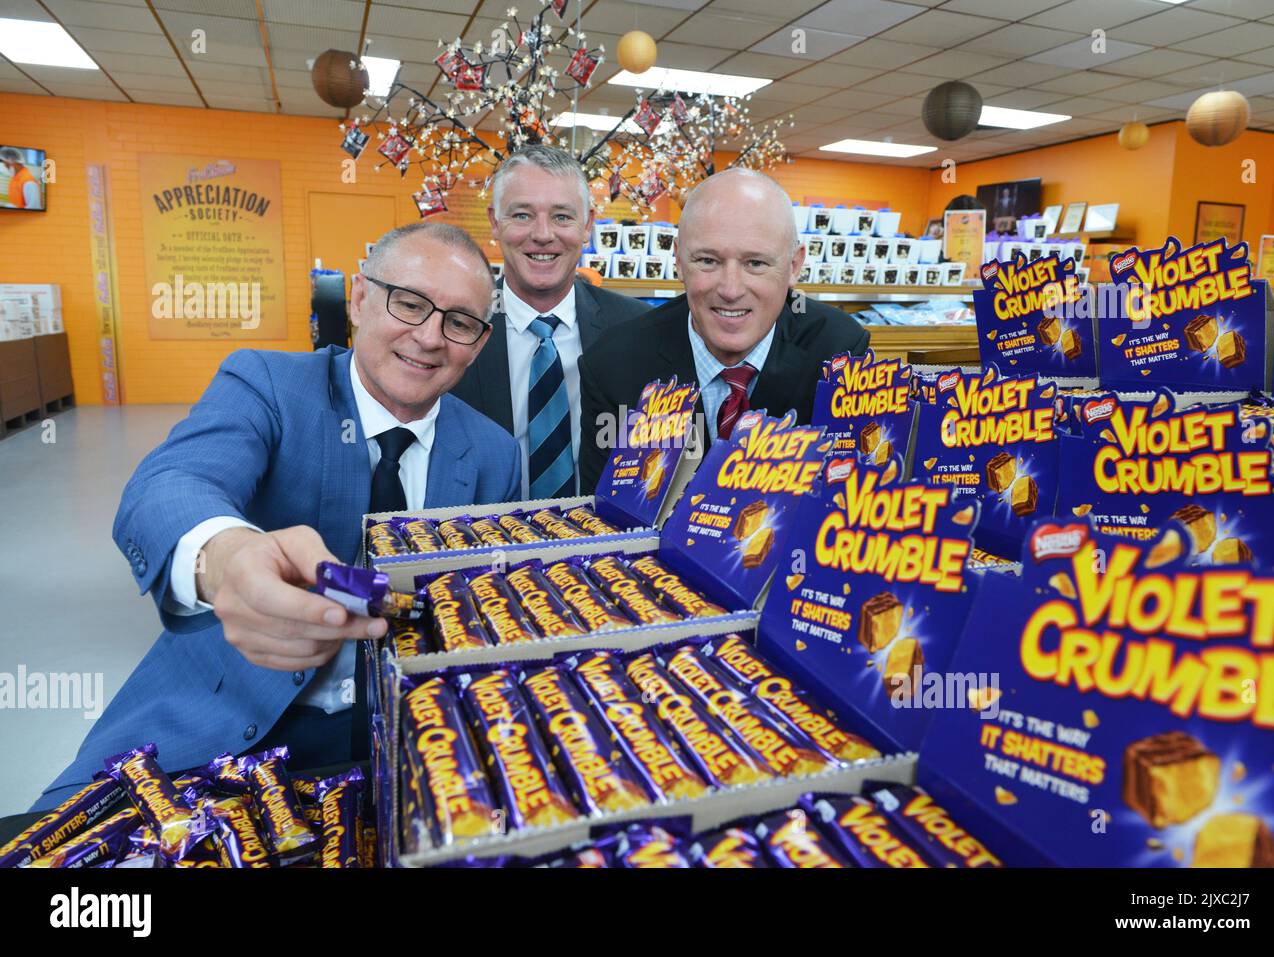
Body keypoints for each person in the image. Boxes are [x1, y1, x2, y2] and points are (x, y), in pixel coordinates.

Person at [31, 221, 518, 811]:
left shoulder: (494, 453)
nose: (430, 337)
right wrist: (226, 555)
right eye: (409, 303)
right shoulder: (267, 384)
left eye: (459, 322)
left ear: (480, 342)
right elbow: (171, 482)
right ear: (360, 299)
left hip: (409, 737)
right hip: (217, 718)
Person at [578, 169, 870, 491]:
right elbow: (605, 519)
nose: (731, 289)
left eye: (755, 263)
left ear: (794, 266)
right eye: (707, 261)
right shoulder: (613, 364)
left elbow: (848, 501)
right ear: (677, 259)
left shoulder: (838, 353)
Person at [451, 145, 649, 498]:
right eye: (522, 215)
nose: (543, 234)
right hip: (480, 542)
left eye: (561, 217)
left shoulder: (637, 330)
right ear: (495, 223)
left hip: (602, 544)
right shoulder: (452, 330)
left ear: (587, 225)